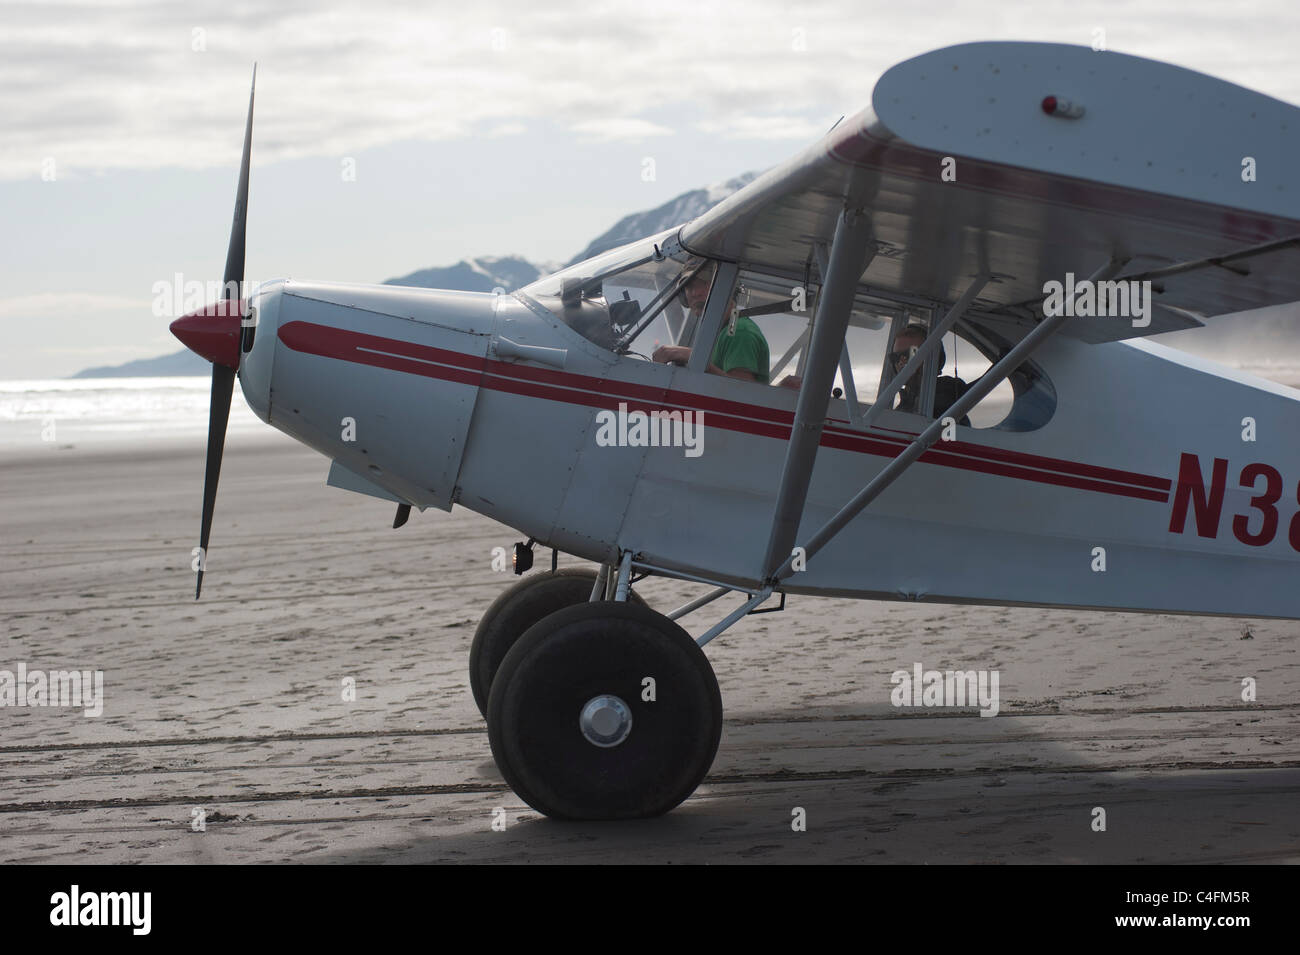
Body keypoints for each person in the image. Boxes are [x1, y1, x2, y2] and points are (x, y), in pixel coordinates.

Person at [652, 270, 770, 383]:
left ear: (728, 289)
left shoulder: (739, 332)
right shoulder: (723, 330)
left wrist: (691, 356)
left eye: (704, 283)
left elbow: (741, 392)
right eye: (689, 286)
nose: (695, 293)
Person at [891, 324, 971, 426]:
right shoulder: (908, 403)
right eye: (895, 357)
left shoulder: (943, 409)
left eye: (909, 355)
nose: (901, 363)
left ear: (935, 360)